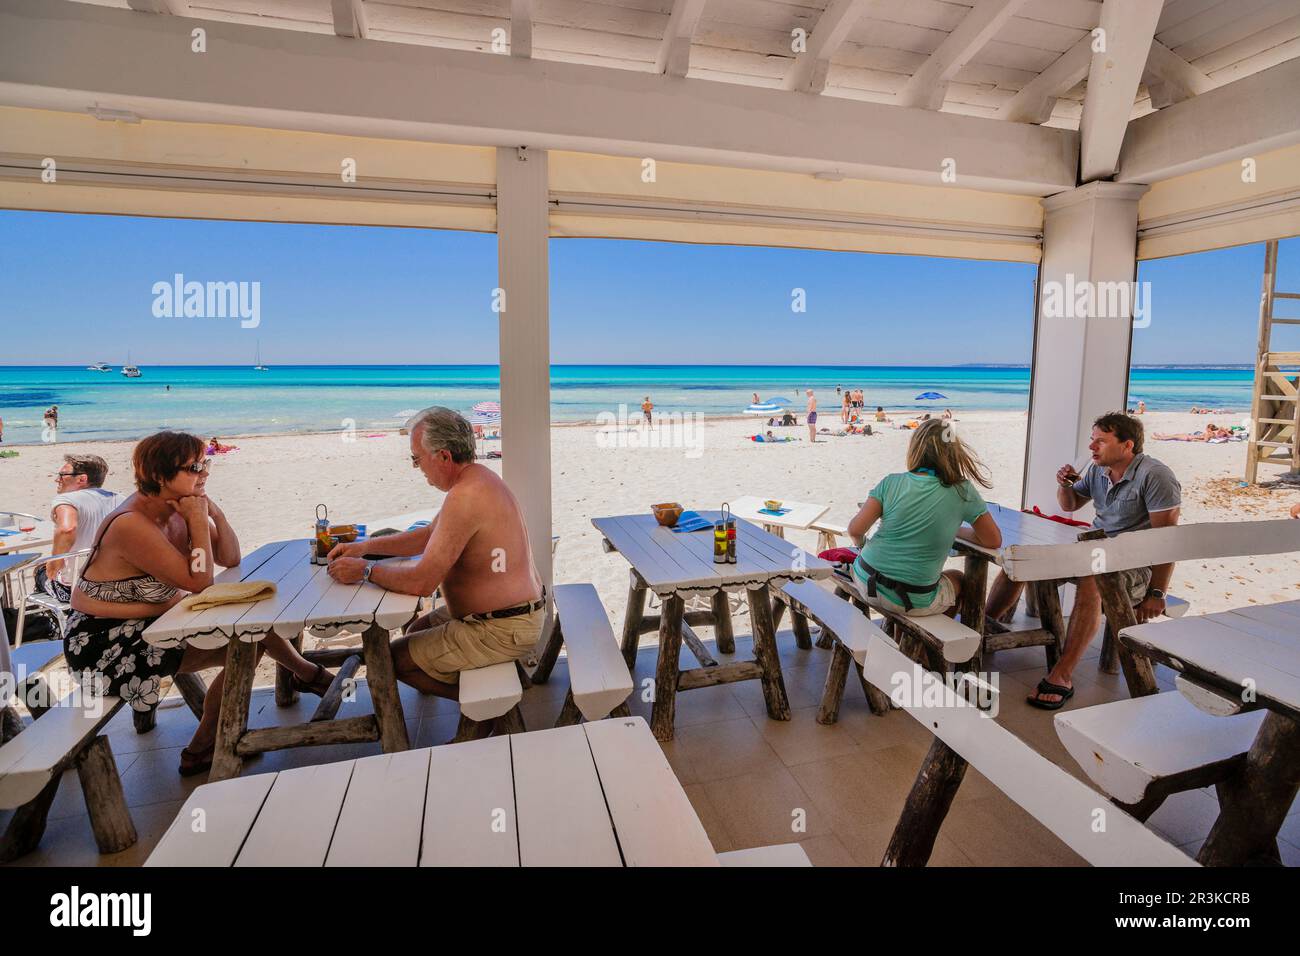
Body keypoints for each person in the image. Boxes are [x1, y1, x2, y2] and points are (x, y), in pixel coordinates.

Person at [64, 431, 332, 776]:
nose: (204, 472)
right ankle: (204, 746)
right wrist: (195, 519)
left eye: (205, 463)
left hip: (153, 624)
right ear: (160, 476)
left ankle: (304, 675)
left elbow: (230, 557)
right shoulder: (132, 523)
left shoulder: (177, 506)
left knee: (250, 629)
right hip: (107, 646)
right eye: (194, 466)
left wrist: (213, 515)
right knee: (247, 642)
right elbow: (199, 581)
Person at [326, 407, 544, 702]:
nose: (417, 469)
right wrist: (365, 547)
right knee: (416, 629)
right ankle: (488, 694)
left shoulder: (466, 496)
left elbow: (422, 583)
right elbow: (428, 535)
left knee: (391, 661)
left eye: (417, 459)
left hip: (502, 628)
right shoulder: (475, 480)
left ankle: (490, 707)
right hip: (509, 614)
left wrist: (365, 571)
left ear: (443, 456)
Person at [985, 412, 1181, 710]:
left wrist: (1157, 592)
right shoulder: (1098, 470)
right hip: (1092, 548)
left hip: (1135, 562)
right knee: (1025, 559)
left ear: (1127, 445)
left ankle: (1062, 674)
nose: (1092, 447)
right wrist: (1064, 485)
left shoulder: (1156, 476)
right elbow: (1071, 505)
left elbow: (1166, 540)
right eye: (1092, 440)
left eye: (1100, 441)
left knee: (1093, 579)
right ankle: (983, 627)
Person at [847, 419, 1001, 618]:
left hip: (866, 579)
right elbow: (993, 540)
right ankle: (936, 644)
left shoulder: (891, 482)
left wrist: (861, 546)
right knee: (959, 580)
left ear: (915, 449)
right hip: (913, 599)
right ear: (955, 453)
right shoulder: (962, 491)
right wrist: (955, 530)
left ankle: (915, 638)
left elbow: (855, 530)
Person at [38, 454, 124, 602]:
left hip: (78, 588)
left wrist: (55, 561)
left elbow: (67, 529)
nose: (57, 479)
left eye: (62, 475)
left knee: (40, 571)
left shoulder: (67, 500)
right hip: (116, 582)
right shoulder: (120, 499)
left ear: (82, 479)